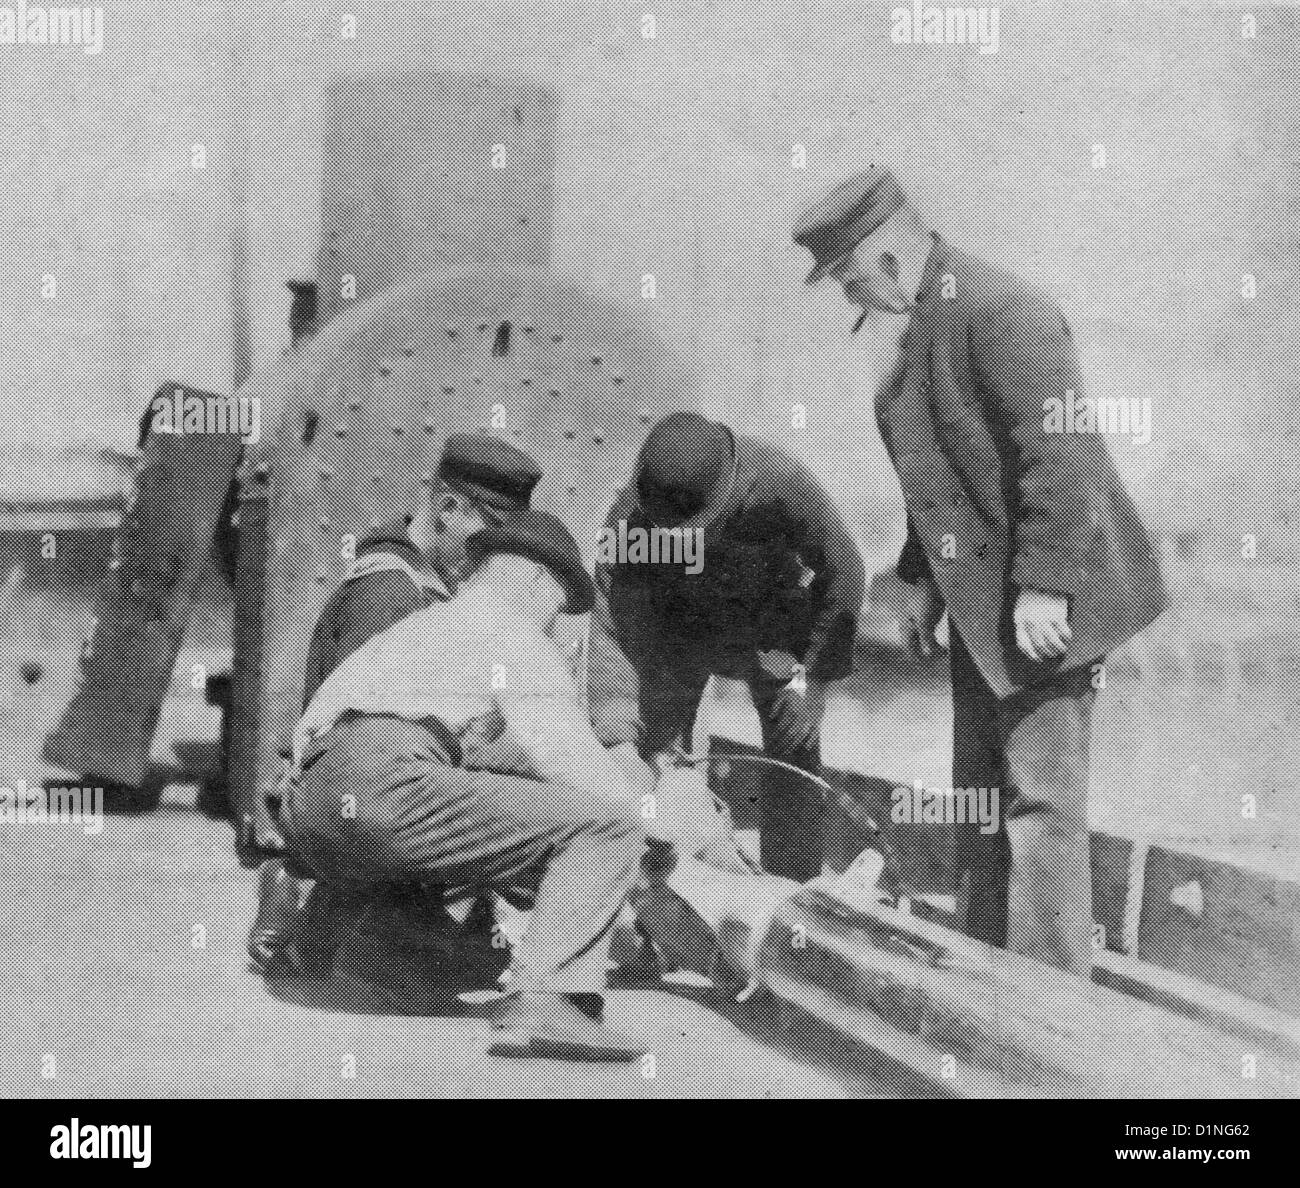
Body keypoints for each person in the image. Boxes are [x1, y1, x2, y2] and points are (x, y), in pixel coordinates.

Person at [794, 165, 1167, 975]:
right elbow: (940, 482)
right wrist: (925, 583)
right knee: (981, 798)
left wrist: (1046, 586)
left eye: (849, 279)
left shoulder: (1003, 312)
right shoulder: (919, 325)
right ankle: (989, 978)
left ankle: (1048, 1009)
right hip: (981, 606)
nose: (849, 300)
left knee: (1040, 804)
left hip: (1043, 601)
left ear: (888, 258)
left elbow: (1058, 457)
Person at [282, 510, 672, 1061]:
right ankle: (547, 1003)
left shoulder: (420, 627)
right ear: (539, 585)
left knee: (497, 832)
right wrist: (672, 821)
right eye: (559, 610)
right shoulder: (515, 637)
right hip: (386, 791)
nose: (554, 626)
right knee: (611, 826)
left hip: (310, 807)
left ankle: (330, 935)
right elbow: (592, 784)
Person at [248, 433, 542, 975]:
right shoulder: (392, 595)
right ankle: (322, 904)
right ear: (446, 508)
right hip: (355, 811)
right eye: (490, 538)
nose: (494, 557)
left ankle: (343, 905)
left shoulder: (411, 578)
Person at [588, 411, 866, 883]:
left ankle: (793, 893)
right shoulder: (632, 516)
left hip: (773, 631)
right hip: (683, 629)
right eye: (668, 536)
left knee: (792, 746)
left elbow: (845, 572)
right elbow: (615, 616)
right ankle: (651, 883)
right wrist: (618, 723)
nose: (677, 542)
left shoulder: (780, 483)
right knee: (647, 751)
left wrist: (812, 680)